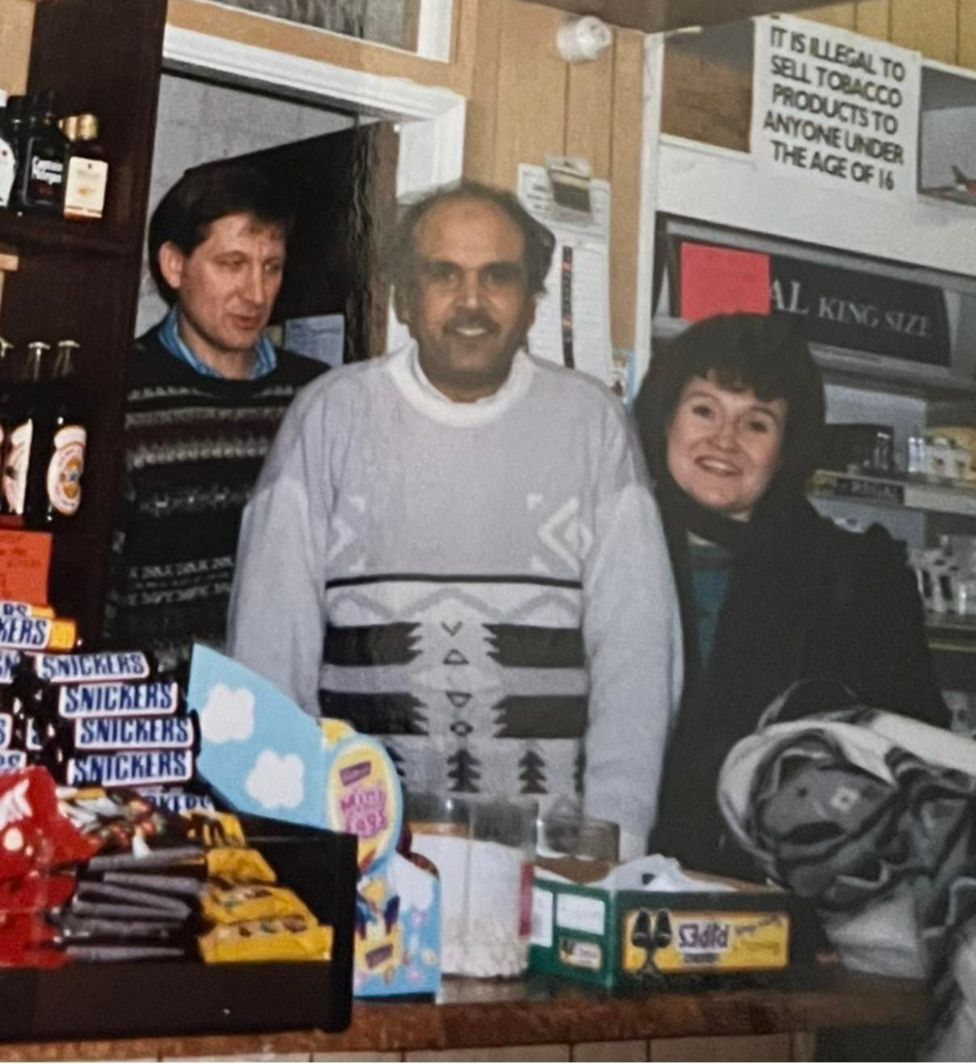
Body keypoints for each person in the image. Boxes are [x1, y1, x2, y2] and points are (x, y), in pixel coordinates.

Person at [227, 180, 683, 857]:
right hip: (366, 858)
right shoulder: (330, 417)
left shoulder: (592, 425)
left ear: (530, 301)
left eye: (498, 277)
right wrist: (292, 844)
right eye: (444, 275)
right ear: (405, 300)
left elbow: (640, 656)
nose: (471, 301)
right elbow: (267, 655)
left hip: (549, 863)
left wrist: (616, 841)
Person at [633, 312, 949, 878]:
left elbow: (914, 758)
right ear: (665, 420)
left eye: (756, 423)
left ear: (785, 449)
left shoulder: (859, 576)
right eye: (704, 410)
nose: (724, 440)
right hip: (622, 876)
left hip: (789, 896)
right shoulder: (611, 549)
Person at [104, 162, 325, 679]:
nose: (256, 293)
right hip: (154, 714)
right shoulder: (117, 395)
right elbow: (92, 598)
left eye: (271, 267)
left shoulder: (317, 400)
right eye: (232, 264)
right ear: (174, 266)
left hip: (288, 713)